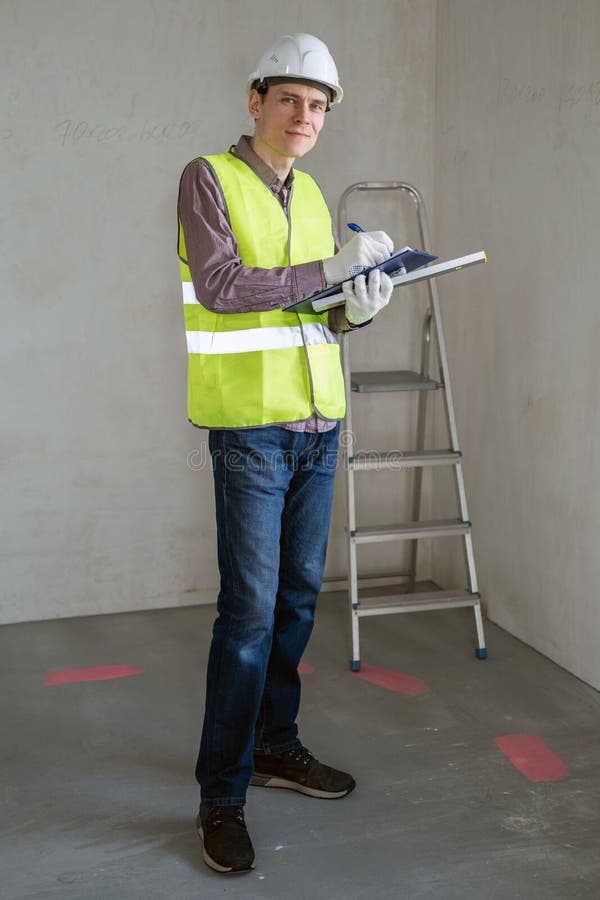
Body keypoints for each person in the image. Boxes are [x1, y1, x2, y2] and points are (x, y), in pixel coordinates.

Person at [177, 33, 394, 874]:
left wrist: (354, 308)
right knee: (248, 614)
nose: (305, 117)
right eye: (291, 100)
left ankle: (277, 745)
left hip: (317, 423)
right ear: (256, 101)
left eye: (319, 106)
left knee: (299, 600)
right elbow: (226, 288)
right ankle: (220, 794)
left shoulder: (310, 195)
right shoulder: (210, 178)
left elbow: (313, 306)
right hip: (251, 429)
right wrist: (327, 271)